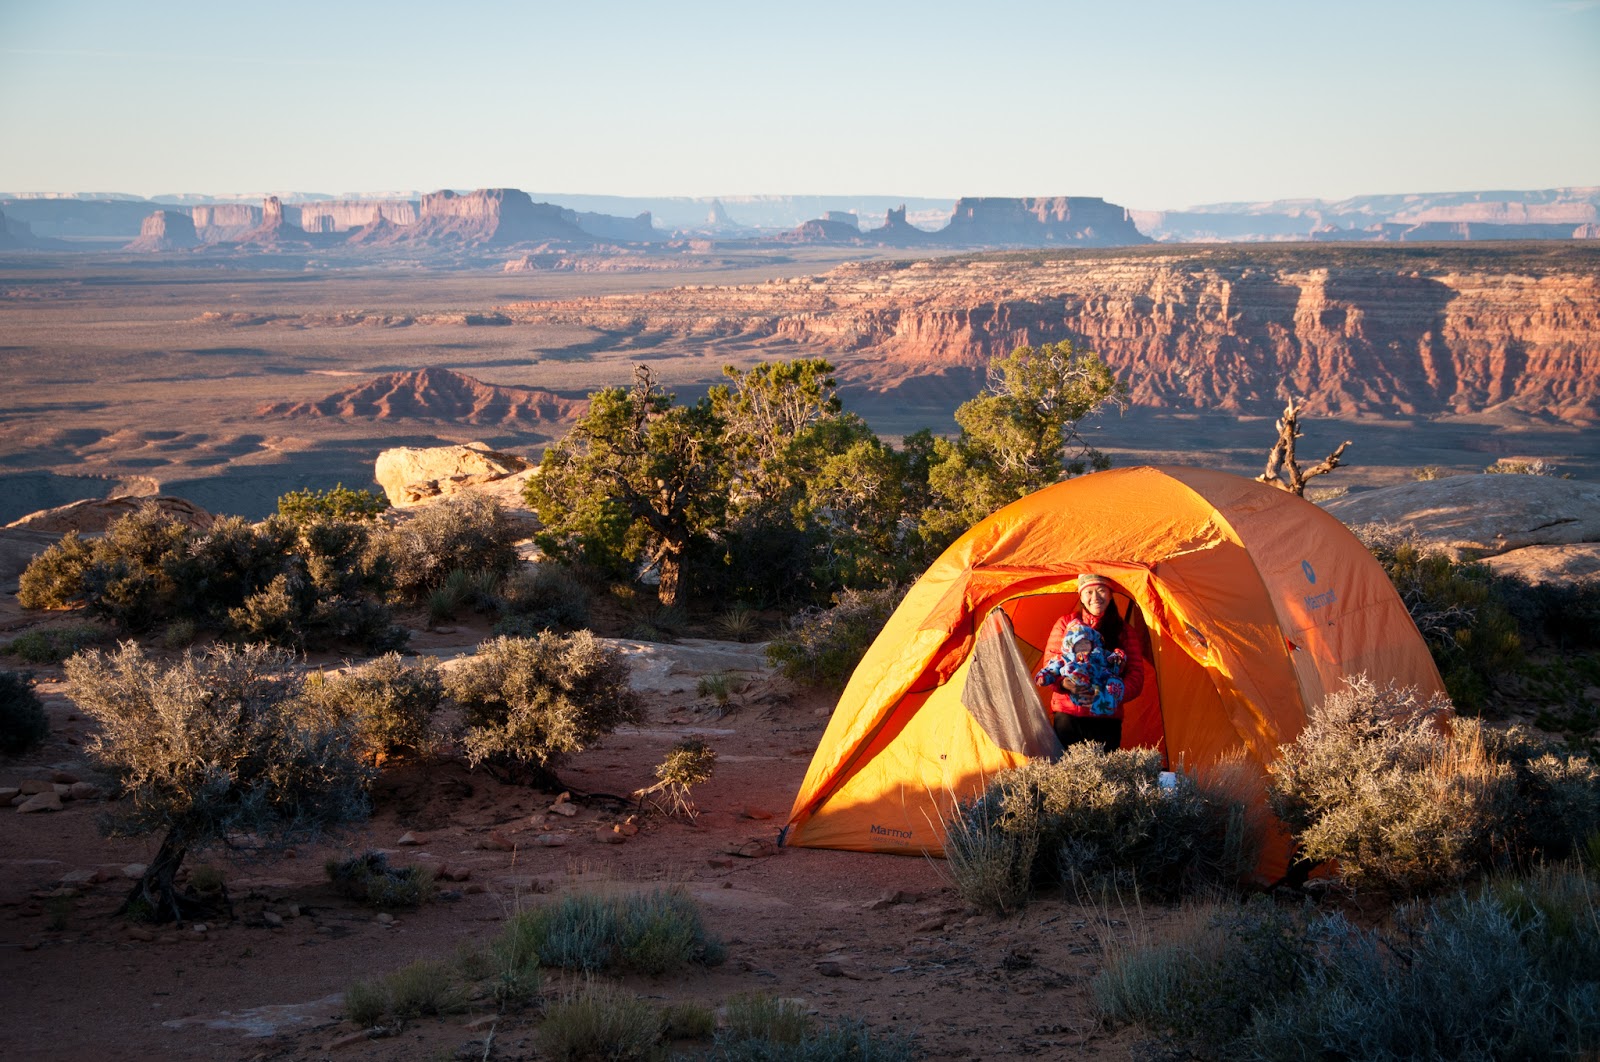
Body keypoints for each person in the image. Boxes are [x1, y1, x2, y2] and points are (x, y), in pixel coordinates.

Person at [1034, 572, 1146, 753]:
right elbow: (1052, 663)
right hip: (1069, 716)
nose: (1095, 597)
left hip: (1107, 718)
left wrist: (1108, 695)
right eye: (1089, 592)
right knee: (1066, 775)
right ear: (1081, 595)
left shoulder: (1124, 631)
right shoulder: (1065, 624)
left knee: (1106, 777)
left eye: (1101, 590)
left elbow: (1136, 676)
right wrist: (1065, 684)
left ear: (1110, 594)